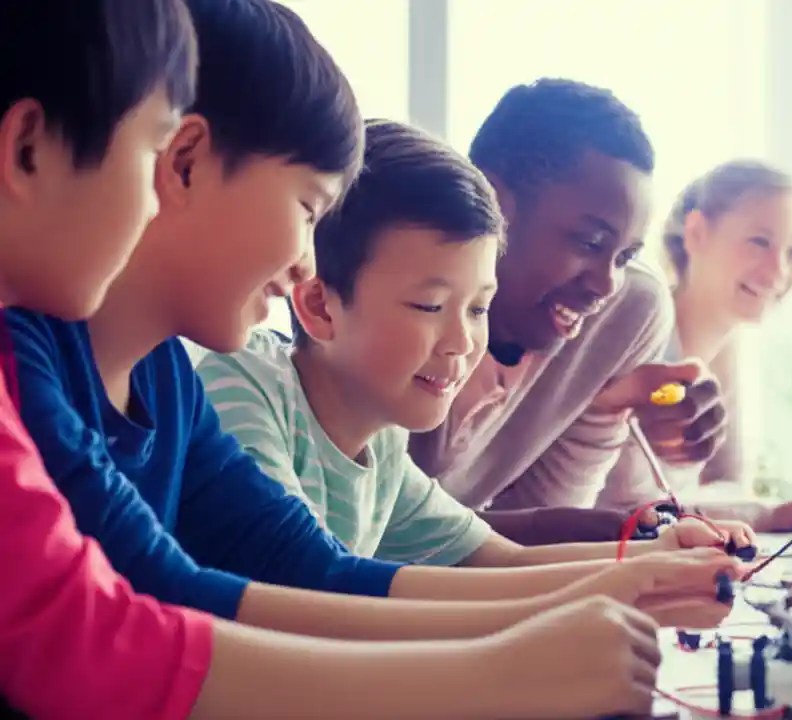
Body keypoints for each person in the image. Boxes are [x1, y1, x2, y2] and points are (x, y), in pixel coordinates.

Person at [0, 2, 668, 719]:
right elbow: (111, 628)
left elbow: (283, 573)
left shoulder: (163, 375)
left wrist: (573, 615)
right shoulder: (32, 353)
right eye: (311, 209)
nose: (307, 266)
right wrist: (499, 668)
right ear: (29, 150)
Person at [197, 118, 751, 573]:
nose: (464, 341)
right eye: (430, 307)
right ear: (317, 306)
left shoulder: (381, 446)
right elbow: (313, 586)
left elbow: (499, 562)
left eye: (479, 308)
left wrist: (657, 558)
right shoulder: (242, 385)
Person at [407, 78, 745, 544]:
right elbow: (376, 534)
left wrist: (606, 411)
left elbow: (529, 521)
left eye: (625, 257)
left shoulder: (623, 313)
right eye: (589, 242)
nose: (607, 283)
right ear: (493, 203)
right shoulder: (392, 300)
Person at [596, 160, 792, 533]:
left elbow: (724, 484)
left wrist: (777, 512)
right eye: (759, 242)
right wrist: (765, 514)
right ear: (696, 233)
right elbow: (624, 506)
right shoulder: (636, 333)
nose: (778, 271)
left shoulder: (725, 350)